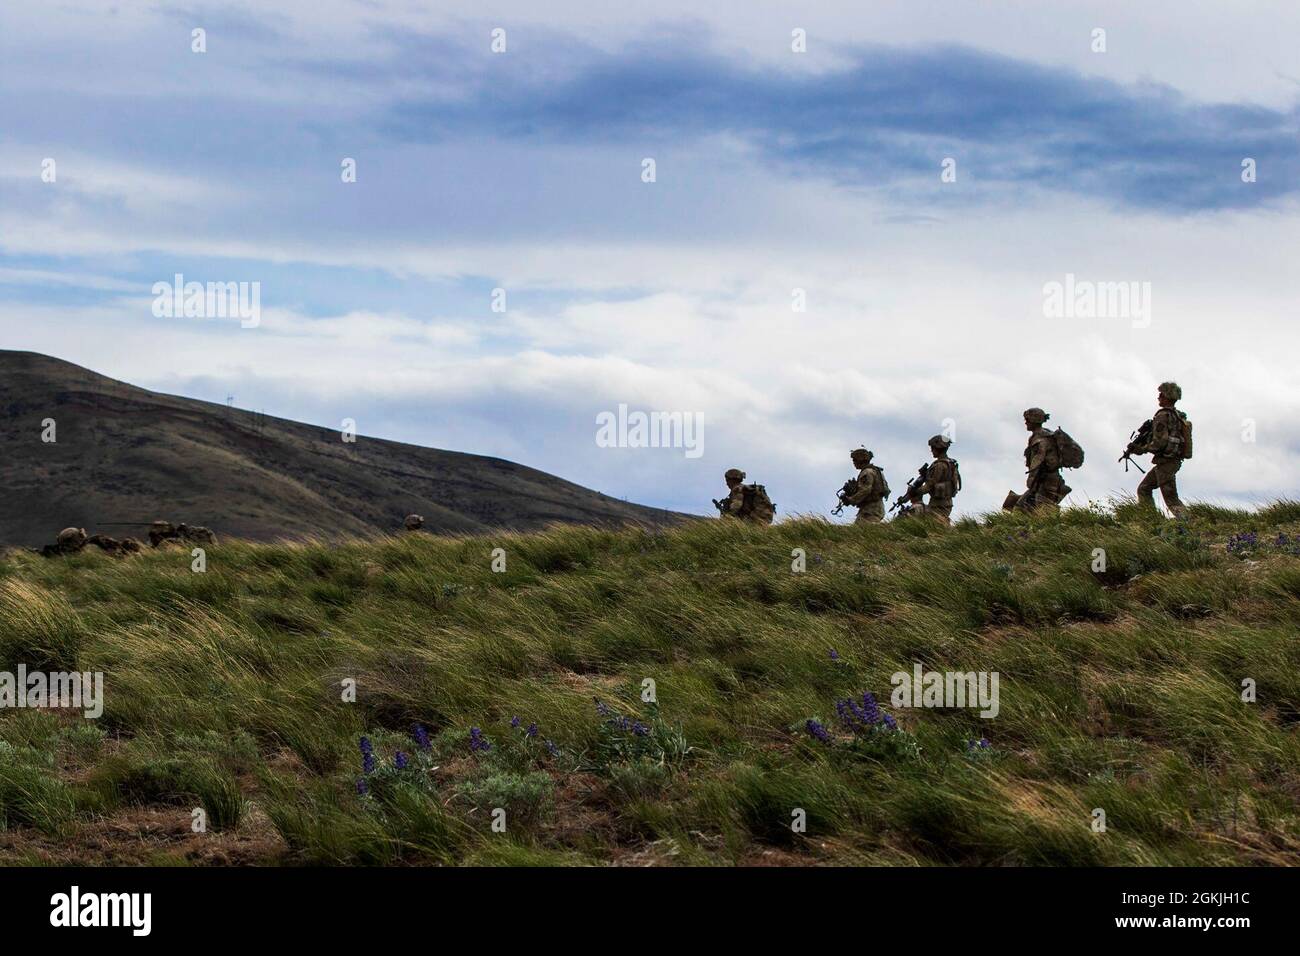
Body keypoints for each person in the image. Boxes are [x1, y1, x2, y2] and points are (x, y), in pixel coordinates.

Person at [1131, 381, 1191, 517]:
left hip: (1166, 463)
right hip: (1170, 461)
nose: (1158, 397)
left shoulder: (1162, 415)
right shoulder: (1177, 416)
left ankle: (1189, 524)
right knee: (1144, 488)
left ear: (1166, 396)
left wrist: (1143, 449)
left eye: (1161, 395)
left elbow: (1160, 442)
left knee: (1171, 499)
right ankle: (1150, 519)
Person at [900, 435, 961, 525]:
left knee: (909, 514)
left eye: (932, 448)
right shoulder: (951, 463)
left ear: (937, 448)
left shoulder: (939, 465)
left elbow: (929, 486)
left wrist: (915, 491)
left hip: (938, 505)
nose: (931, 450)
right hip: (946, 503)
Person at [842, 448, 889, 523]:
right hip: (873, 508)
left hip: (870, 510)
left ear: (860, 459)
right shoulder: (875, 470)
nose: (853, 462)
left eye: (855, 460)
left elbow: (865, 490)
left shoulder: (867, 472)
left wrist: (851, 499)